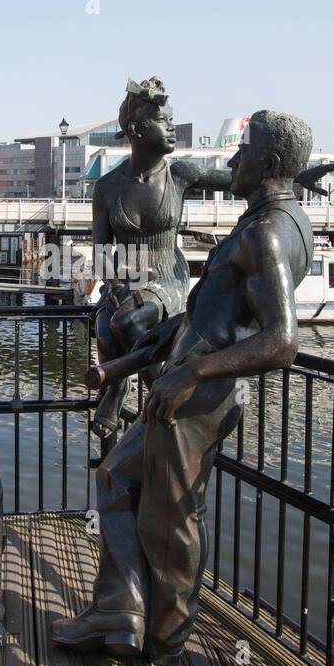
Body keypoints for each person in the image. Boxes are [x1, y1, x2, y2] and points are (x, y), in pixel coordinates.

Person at [50, 110, 319, 662]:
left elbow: (282, 341)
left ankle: (167, 639)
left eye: (245, 151)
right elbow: (219, 311)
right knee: (116, 477)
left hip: (195, 395)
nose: (235, 161)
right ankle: (120, 607)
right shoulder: (280, 221)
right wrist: (168, 339)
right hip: (182, 381)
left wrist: (194, 369)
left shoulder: (267, 232)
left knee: (173, 516)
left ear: (268, 165)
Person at [88, 76, 233, 440]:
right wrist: (114, 283)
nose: (172, 129)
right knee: (106, 325)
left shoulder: (179, 173)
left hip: (167, 272)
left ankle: (150, 397)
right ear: (137, 129)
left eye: (171, 120)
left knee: (130, 321)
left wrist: (285, 172)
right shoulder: (107, 187)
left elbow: (237, 179)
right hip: (129, 276)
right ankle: (132, 392)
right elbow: (102, 251)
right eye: (163, 122)